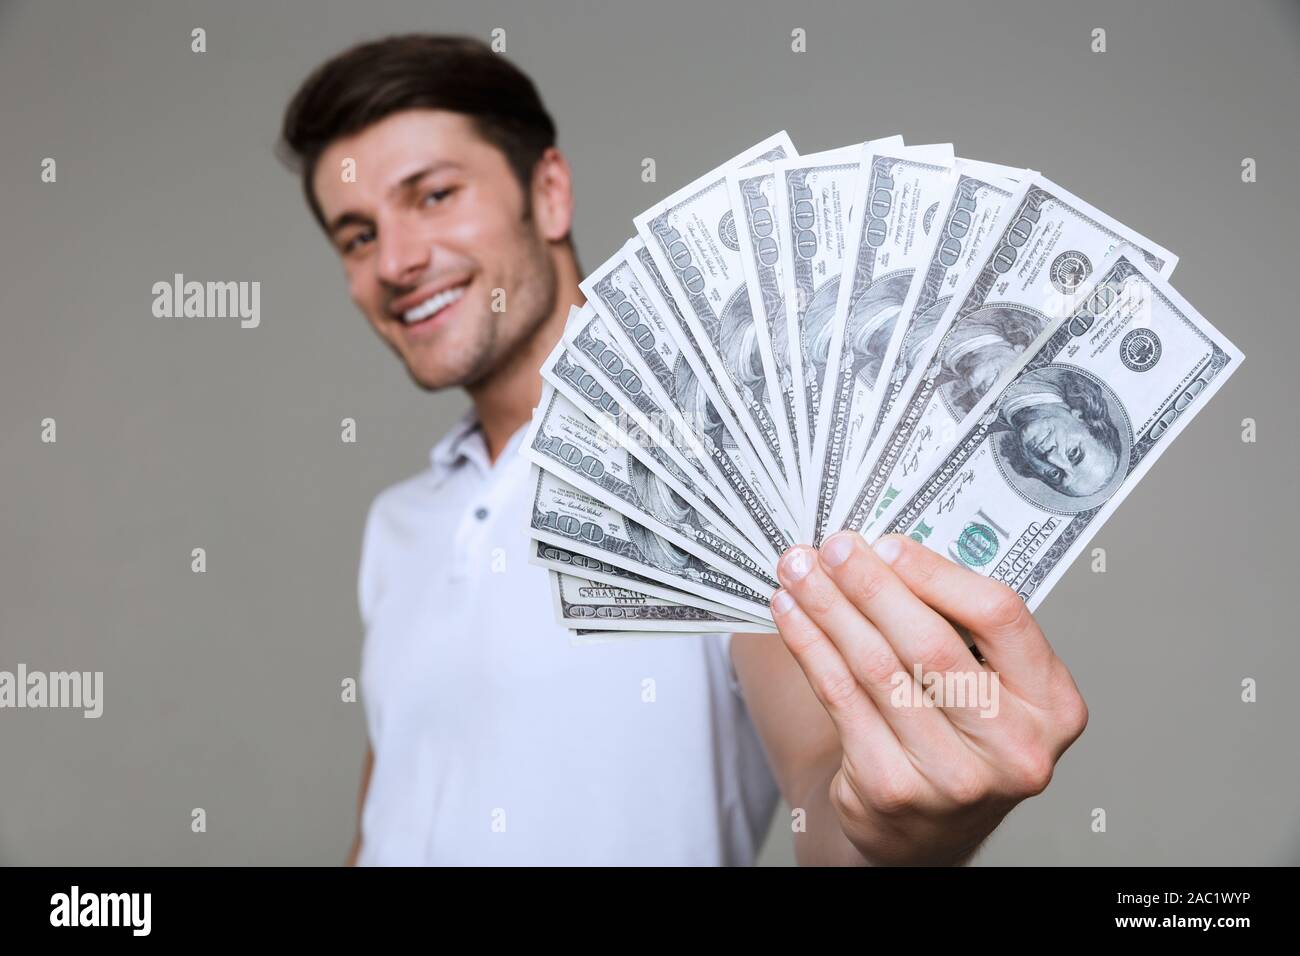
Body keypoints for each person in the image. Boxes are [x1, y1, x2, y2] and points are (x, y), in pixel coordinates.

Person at [278, 33, 1088, 866]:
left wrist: (908, 827)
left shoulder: (735, 470)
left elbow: (822, 784)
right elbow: (396, 808)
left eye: (435, 195)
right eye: (357, 237)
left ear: (548, 192)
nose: (398, 260)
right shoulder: (399, 525)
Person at [998, 366, 1124, 499]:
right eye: (1073, 453)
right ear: (1082, 417)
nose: (1051, 458)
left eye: (1054, 474)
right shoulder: (1044, 368)